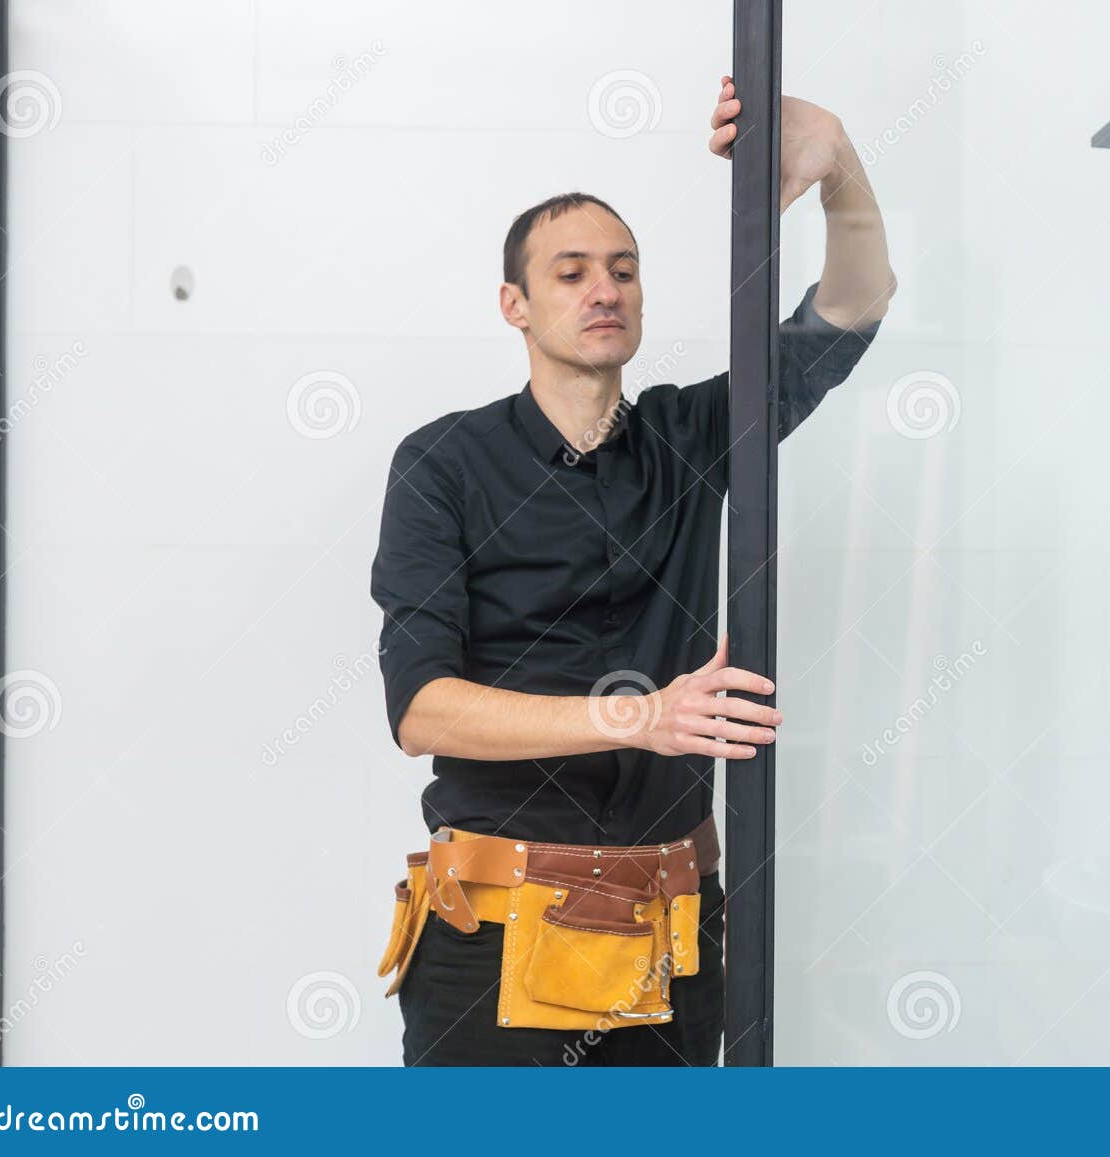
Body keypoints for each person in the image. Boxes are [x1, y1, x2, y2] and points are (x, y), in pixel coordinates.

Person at [369, 75, 895, 1066]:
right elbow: (421, 709)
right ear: (513, 304)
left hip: (677, 937)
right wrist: (638, 713)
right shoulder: (443, 463)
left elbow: (853, 308)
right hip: (494, 943)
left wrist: (837, 162)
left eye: (623, 268)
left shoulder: (693, 437)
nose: (604, 288)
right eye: (570, 273)